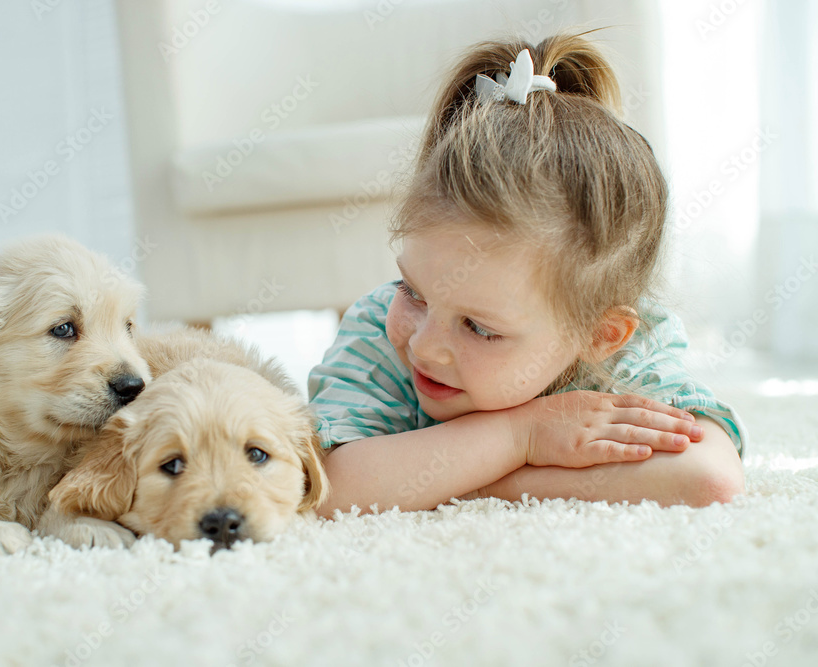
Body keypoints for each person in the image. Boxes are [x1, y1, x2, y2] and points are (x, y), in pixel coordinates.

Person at [307, 33, 746, 516]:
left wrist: (444, 485)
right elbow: (327, 484)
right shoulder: (376, 329)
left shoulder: (631, 357)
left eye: (479, 327)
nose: (423, 344)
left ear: (600, 335)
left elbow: (710, 479)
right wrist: (522, 436)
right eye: (413, 291)